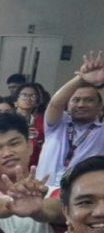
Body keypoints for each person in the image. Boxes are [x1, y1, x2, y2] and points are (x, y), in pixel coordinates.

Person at [35, 51, 104, 184]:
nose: (81, 104)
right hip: (43, 191)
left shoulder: (101, 131)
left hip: (81, 196)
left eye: (89, 100)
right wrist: (81, 79)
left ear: (100, 106)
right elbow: (55, 103)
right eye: (76, 100)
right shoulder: (58, 124)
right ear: (67, 104)